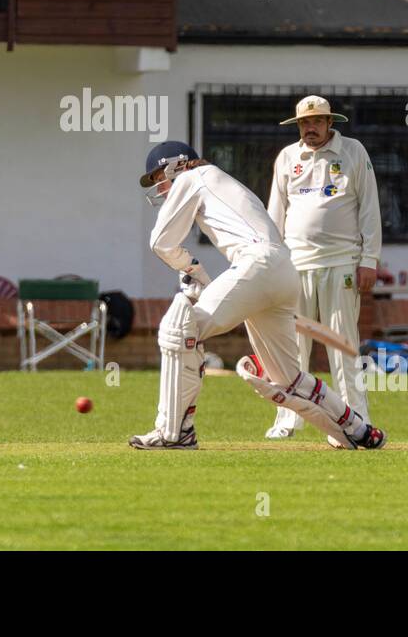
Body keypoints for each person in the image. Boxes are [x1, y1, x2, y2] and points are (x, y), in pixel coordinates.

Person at [129, 140, 386, 452]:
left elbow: (160, 243)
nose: (160, 187)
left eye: (160, 177)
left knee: (179, 329)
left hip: (259, 263)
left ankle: (174, 431)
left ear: (178, 164)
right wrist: (194, 272)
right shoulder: (217, 180)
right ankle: (356, 427)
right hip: (282, 270)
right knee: (286, 377)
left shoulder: (191, 178)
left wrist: (190, 267)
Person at [264, 96, 382, 444]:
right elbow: (276, 214)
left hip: (341, 262)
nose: (310, 129)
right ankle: (288, 419)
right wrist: (272, 263)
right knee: (291, 348)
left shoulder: (354, 152)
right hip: (295, 264)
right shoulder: (288, 158)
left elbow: (370, 208)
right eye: (304, 123)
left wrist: (369, 259)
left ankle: (353, 420)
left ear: (330, 123)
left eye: (316, 122)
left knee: (342, 346)